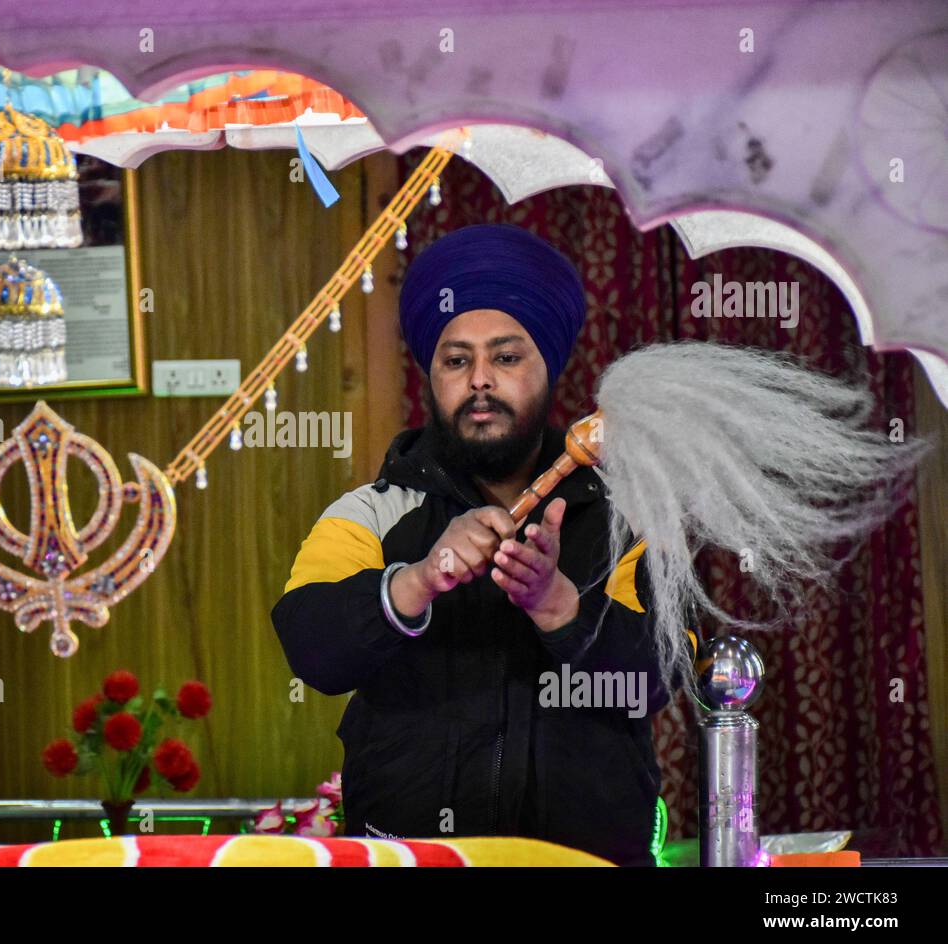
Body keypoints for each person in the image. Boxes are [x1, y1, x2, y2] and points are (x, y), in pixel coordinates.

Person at [271, 223, 703, 866]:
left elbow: (661, 679)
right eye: (456, 359)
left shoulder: (631, 519)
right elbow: (313, 650)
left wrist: (559, 608)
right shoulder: (371, 513)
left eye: (506, 357)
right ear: (432, 373)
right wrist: (414, 582)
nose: (479, 379)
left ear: (547, 368)